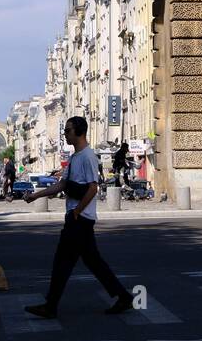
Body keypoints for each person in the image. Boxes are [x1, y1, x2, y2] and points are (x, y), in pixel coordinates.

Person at [24, 117, 134, 319]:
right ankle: (124, 297)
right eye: (65, 130)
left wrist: (76, 212)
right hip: (77, 218)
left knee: (62, 263)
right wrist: (36, 195)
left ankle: (50, 306)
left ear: (79, 132)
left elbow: (93, 187)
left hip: (79, 220)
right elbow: (63, 185)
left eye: (67, 131)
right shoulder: (75, 157)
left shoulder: (88, 157)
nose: (65, 134)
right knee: (93, 262)